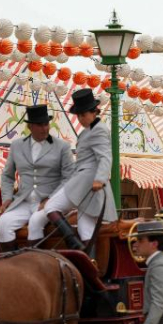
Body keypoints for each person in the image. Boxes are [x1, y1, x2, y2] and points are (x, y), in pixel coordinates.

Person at [42, 88, 117, 249]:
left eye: (83, 115)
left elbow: (105, 156)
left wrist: (100, 179)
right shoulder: (87, 131)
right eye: (79, 115)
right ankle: (89, 266)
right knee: (86, 231)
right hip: (84, 184)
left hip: (88, 183)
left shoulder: (99, 130)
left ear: (93, 112)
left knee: (51, 206)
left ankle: (73, 245)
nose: (81, 119)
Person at [0, 104, 74, 251]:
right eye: (40, 125)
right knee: (3, 224)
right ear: (30, 126)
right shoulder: (16, 146)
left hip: (50, 203)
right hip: (23, 201)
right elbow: (7, 175)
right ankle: (11, 264)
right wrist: (6, 197)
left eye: (46, 124)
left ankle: (36, 263)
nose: (45, 128)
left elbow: (69, 178)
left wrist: (51, 199)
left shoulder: (62, 146)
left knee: (35, 222)